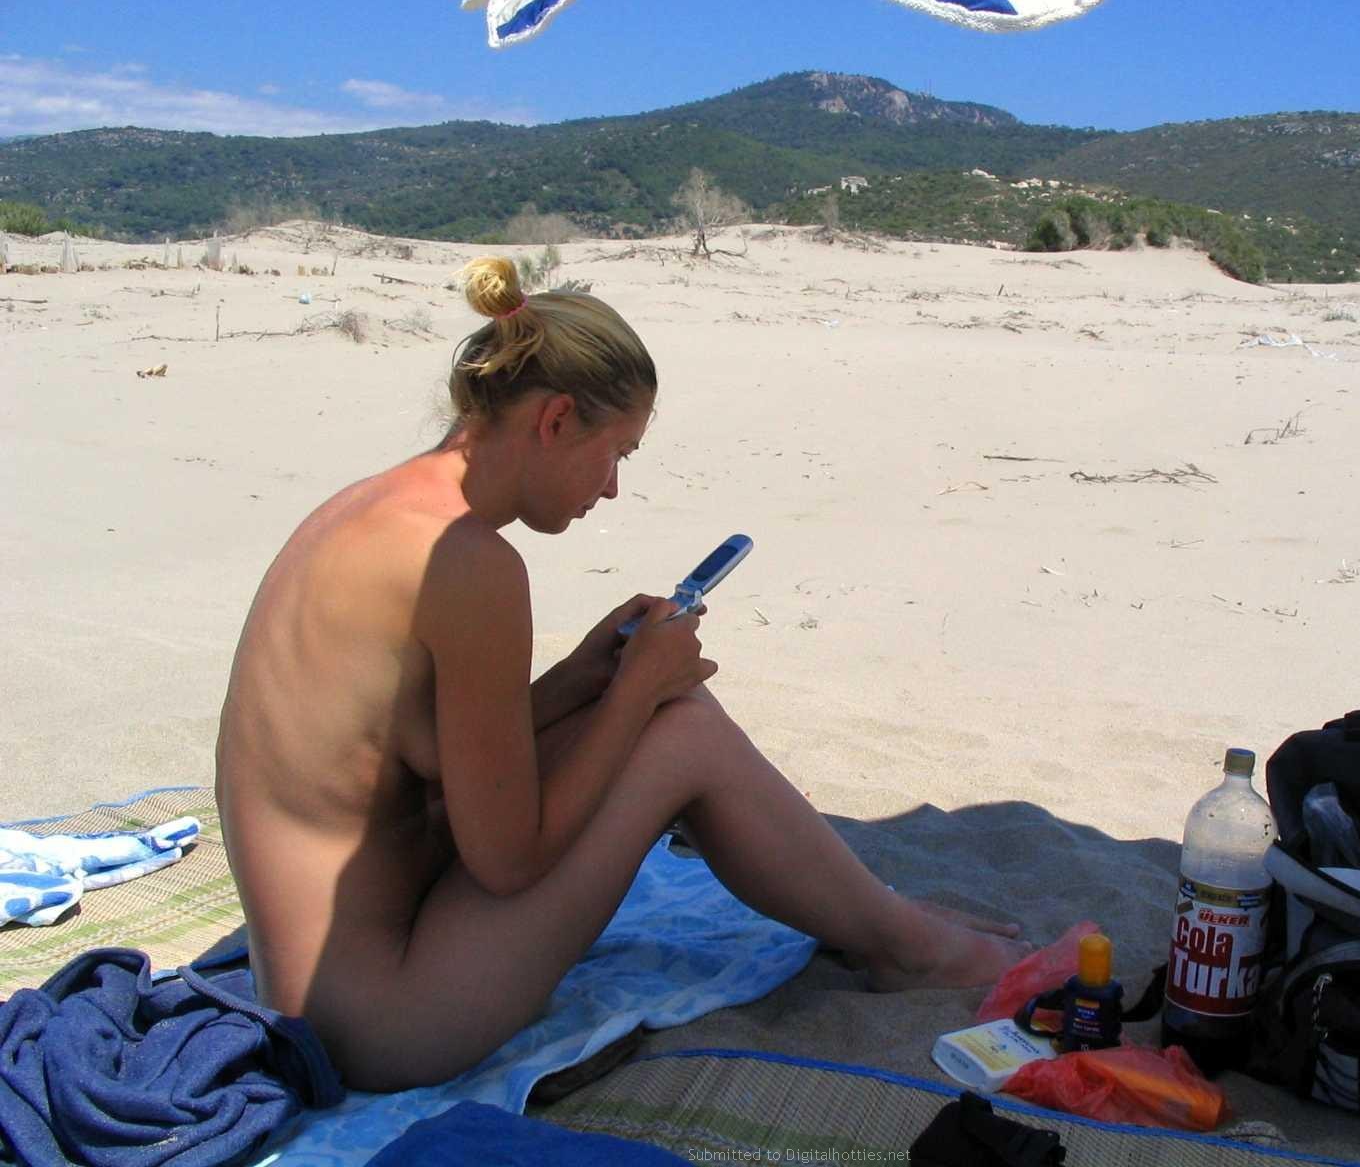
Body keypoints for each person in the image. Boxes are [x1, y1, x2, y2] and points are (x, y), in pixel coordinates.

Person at [215, 257, 1028, 1091]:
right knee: (680, 729)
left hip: (314, 991)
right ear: (557, 419)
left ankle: (879, 921)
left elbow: (415, 759)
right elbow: (509, 860)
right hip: (383, 1026)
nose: (609, 489)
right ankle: (901, 944)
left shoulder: (372, 511)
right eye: (616, 454)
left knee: (655, 707)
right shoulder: (468, 563)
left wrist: (581, 679)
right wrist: (637, 692)